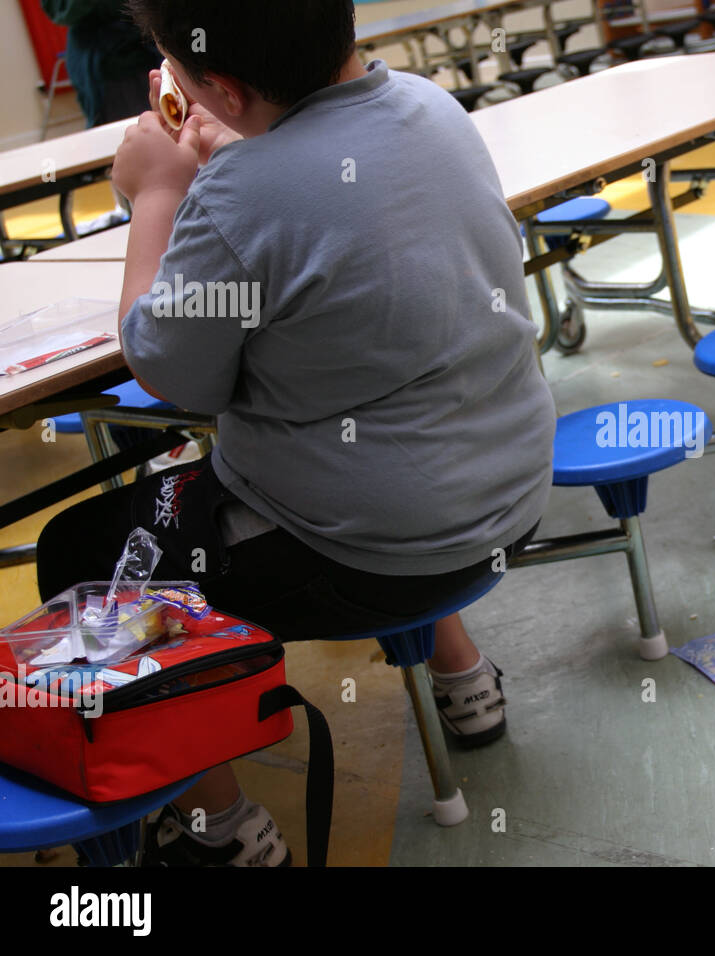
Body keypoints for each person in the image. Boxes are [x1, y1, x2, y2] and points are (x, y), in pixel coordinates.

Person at [35, 0, 556, 866]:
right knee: (376, 419)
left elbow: (169, 369)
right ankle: (461, 675)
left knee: (84, 553)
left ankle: (222, 825)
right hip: (506, 500)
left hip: (377, 554)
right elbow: (334, 217)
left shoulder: (246, 190)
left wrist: (159, 195)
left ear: (223, 91)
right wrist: (242, 157)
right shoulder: (433, 108)